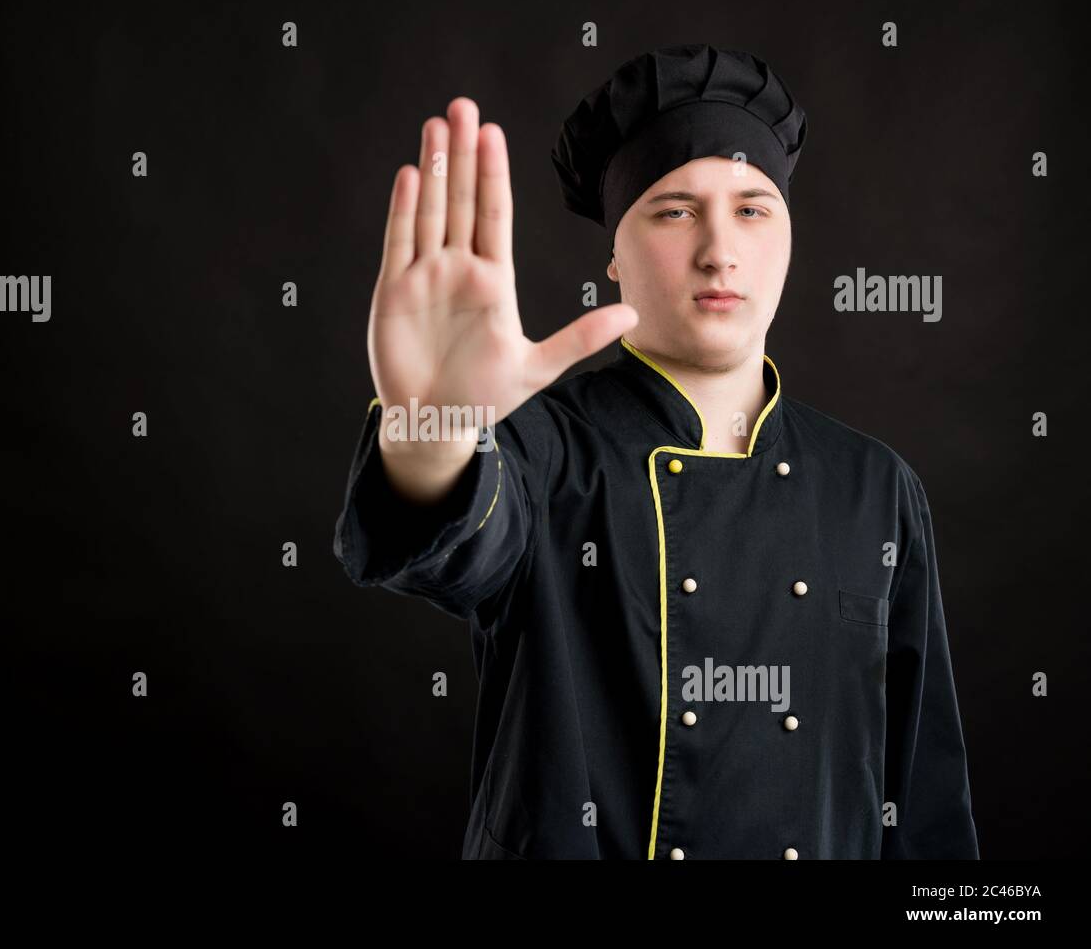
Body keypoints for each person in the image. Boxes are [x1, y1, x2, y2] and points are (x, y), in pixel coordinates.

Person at [333, 44, 979, 860]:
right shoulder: (540, 446)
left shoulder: (875, 486)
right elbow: (448, 549)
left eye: (752, 209)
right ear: (613, 256)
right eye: (673, 210)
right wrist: (436, 430)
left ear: (788, 237)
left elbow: (924, 805)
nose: (719, 250)